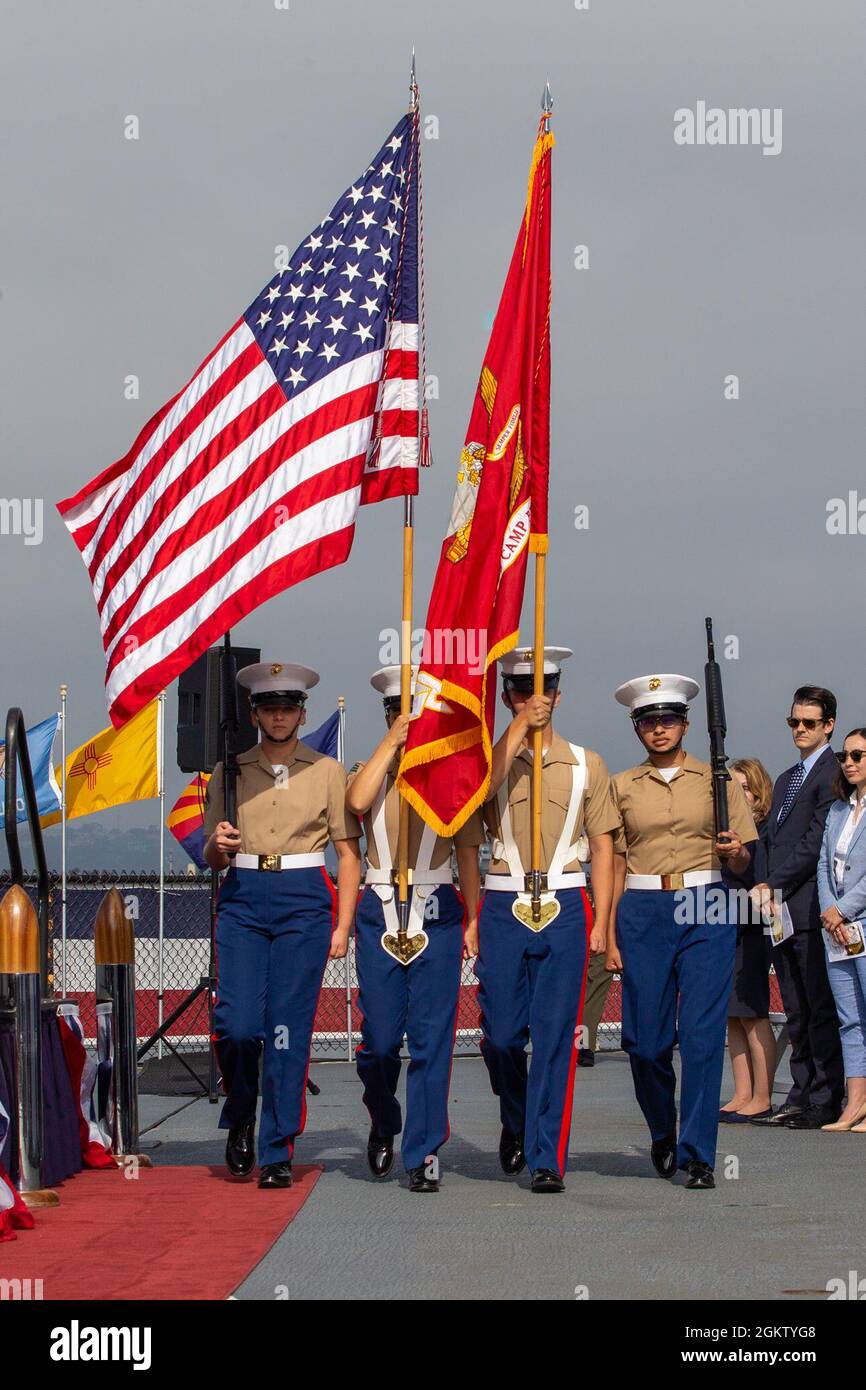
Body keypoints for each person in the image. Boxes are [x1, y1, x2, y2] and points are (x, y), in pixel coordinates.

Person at [204, 661, 362, 1188]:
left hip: (303, 899)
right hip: (244, 898)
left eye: (287, 706)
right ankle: (242, 1112)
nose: (278, 716)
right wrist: (217, 847)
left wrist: (343, 926)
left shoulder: (326, 770)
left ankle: (277, 1146)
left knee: (288, 1031)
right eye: (269, 707)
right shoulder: (228, 771)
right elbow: (211, 854)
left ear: (301, 712)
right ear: (252, 712)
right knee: (239, 1026)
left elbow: (346, 852)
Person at [608, 674, 757, 1190]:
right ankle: (661, 1131)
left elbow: (744, 857)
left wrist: (735, 852)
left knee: (699, 1036)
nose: (660, 728)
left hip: (709, 899)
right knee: (646, 1042)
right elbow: (614, 859)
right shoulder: (621, 786)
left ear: (688, 724)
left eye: (669, 719)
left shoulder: (718, 781)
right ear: (637, 729)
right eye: (649, 721)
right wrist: (605, 929)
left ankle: (699, 1153)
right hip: (644, 905)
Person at [477, 646, 618, 1194]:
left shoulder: (588, 763)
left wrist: (602, 919)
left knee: (557, 1037)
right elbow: (477, 794)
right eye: (518, 691)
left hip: (564, 901)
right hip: (504, 901)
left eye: (542, 690)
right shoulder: (496, 756)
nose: (533, 698)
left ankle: (545, 1156)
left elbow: (604, 847)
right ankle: (515, 1119)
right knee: (504, 1038)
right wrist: (515, 726)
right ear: (509, 696)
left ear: (558, 694)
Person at [346, 665, 482, 1193]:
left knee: (431, 1040)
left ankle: (423, 1149)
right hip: (380, 904)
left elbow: (468, 854)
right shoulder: (369, 769)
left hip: (436, 906)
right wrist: (391, 741)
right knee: (379, 1042)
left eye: (414, 713)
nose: (406, 721)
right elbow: (357, 803)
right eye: (395, 712)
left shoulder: (451, 779)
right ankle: (384, 1117)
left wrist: (472, 919)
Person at [751, 686, 844, 1129]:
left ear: (828, 725)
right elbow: (771, 838)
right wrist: (761, 881)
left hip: (809, 909)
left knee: (820, 1006)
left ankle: (827, 1096)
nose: (800, 730)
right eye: (794, 722)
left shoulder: (833, 774)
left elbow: (815, 843)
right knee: (794, 1007)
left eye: (809, 723)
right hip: (779, 911)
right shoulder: (787, 778)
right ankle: (801, 1091)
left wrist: (774, 882)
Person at [719, 758, 777, 1122]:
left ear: (757, 792)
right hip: (725, 924)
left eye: (742, 788)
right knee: (733, 1015)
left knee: (753, 1013)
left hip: (753, 929)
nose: (737, 796)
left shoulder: (764, 832)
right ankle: (742, 1092)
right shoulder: (726, 832)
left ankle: (762, 1095)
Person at [816, 729, 866, 1133]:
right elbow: (822, 864)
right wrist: (829, 911)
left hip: (861, 923)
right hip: (837, 931)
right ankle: (854, 1105)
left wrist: (844, 909)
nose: (849, 762)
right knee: (849, 1019)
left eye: (858, 755)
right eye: (845, 756)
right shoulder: (837, 810)